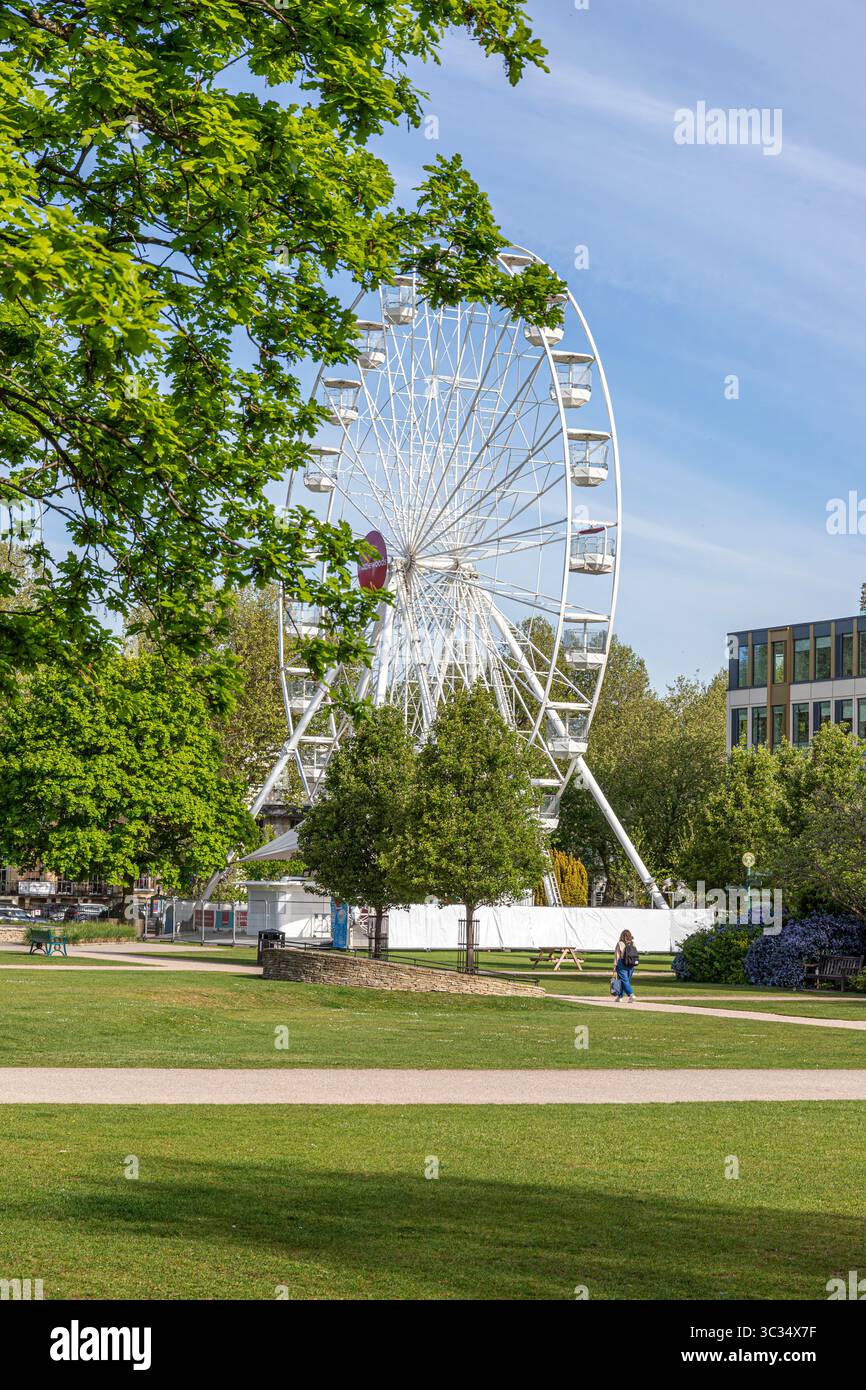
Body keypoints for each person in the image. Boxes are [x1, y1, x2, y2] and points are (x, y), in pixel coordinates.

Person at [612, 929, 639, 1003]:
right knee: (626, 981)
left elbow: (617, 956)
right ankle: (620, 997)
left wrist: (615, 965)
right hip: (631, 964)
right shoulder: (633, 943)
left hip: (622, 963)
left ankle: (631, 995)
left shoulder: (620, 943)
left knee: (624, 980)